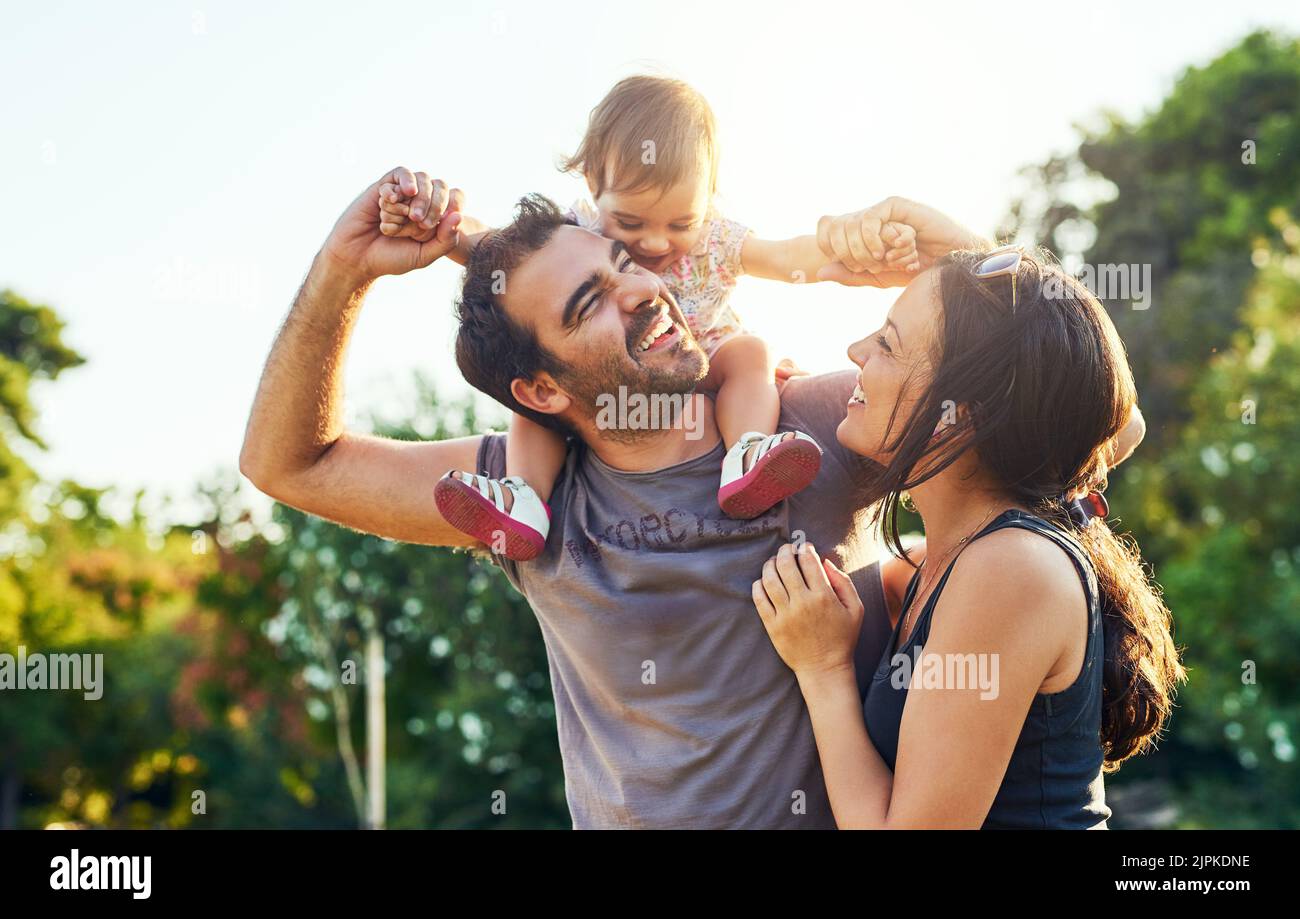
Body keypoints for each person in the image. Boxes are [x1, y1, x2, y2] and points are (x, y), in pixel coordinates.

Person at [239, 169, 1143, 828]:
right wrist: (343, 268)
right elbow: (292, 464)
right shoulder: (526, 499)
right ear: (543, 394)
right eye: (593, 299)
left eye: (626, 260)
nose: (643, 287)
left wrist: (954, 251)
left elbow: (1076, 404)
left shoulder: (819, 425)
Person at [751, 216, 1184, 828]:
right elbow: (1108, 415)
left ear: (960, 416)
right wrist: (977, 267)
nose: (855, 353)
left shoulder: (1010, 569)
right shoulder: (955, 559)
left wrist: (823, 670)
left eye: (889, 344)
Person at [375, 76, 919, 559]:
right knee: (542, 402)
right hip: (617, 376)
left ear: (709, 199)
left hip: (702, 363)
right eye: (630, 223)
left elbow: (785, 256)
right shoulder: (577, 234)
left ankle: (748, 452)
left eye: (681, 222)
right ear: (593, 184)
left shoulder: (715, 240)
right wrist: (429, 216)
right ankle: (524, 498)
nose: (656, 243)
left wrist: (851, 249)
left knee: (751, 353)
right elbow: (487, 244)